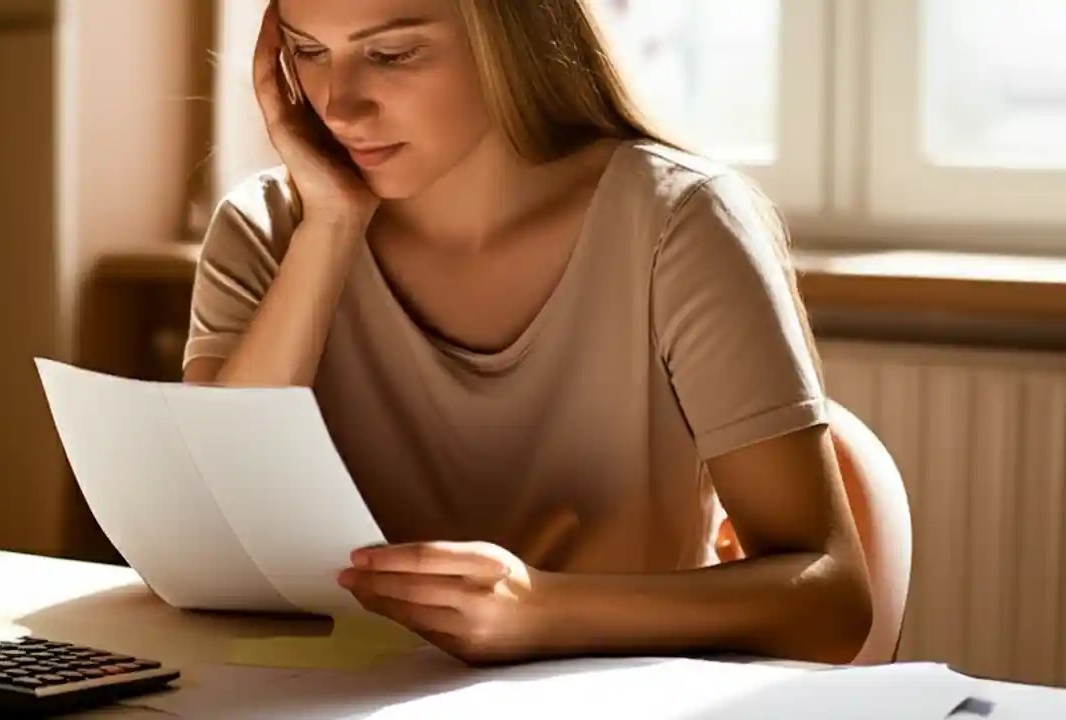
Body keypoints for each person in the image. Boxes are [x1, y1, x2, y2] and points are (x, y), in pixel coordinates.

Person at [182, 0, 873, 667]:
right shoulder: (265, 230)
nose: (339, 105)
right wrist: (330, 225)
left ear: (508, 34)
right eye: (308, 52)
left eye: (391, 54)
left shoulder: (682, 225)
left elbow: (833, 602)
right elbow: (207, 546)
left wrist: (542, 611)